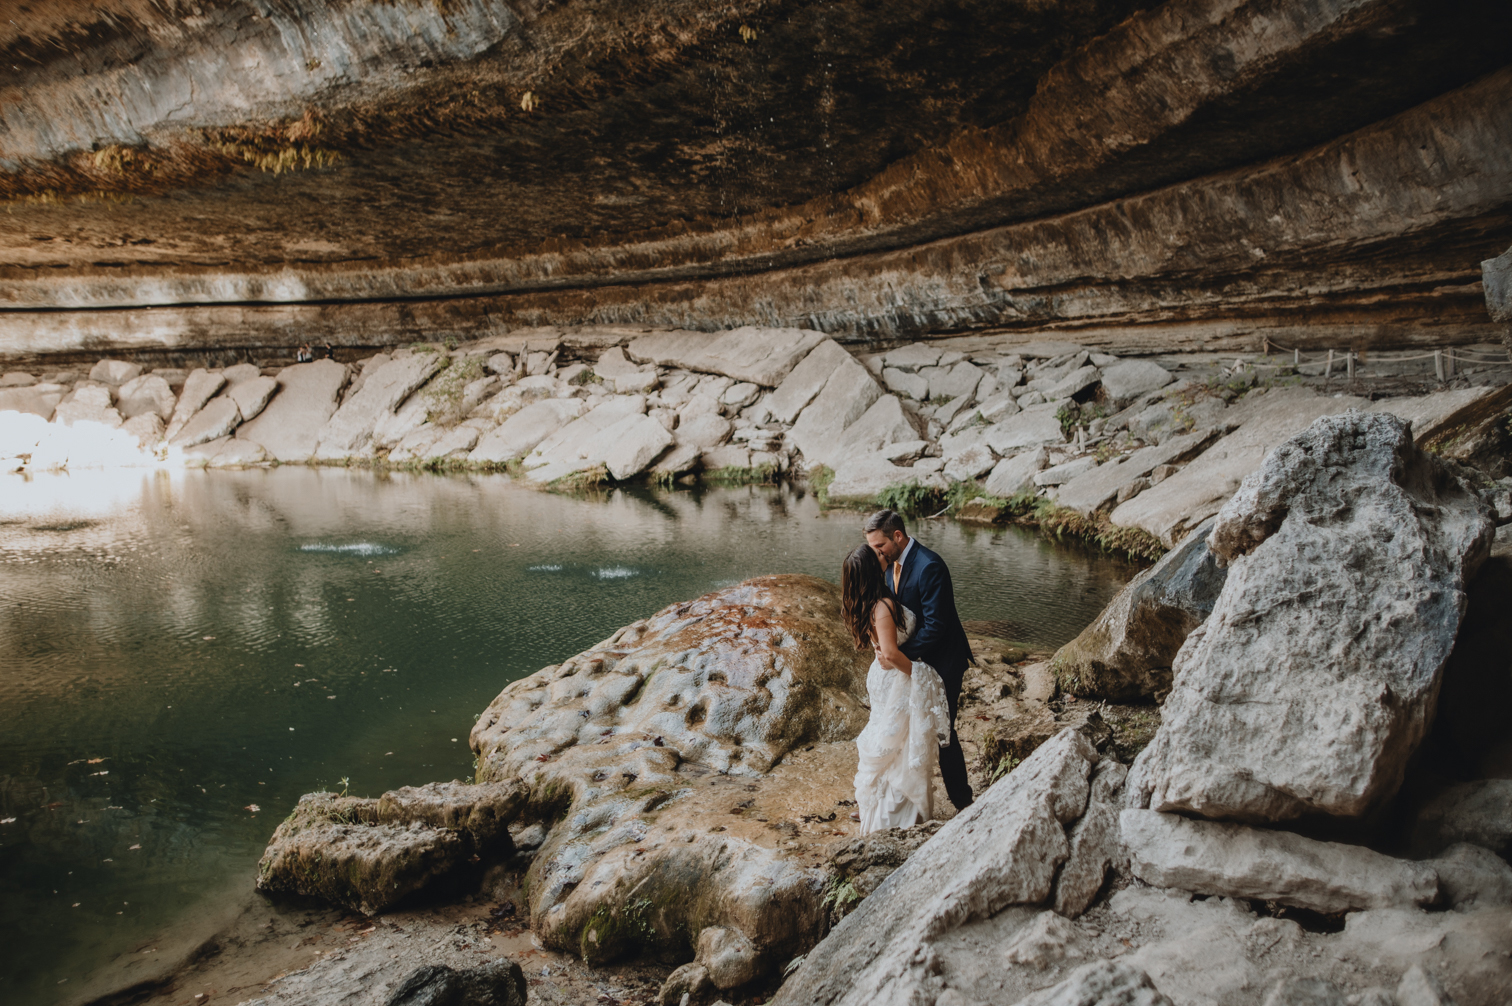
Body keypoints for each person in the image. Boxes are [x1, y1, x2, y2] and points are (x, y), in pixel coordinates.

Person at [864, 508, 975, 812]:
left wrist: (899, 656)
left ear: (897, 536)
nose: (877, 554)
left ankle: (964, 803)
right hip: (912, 665)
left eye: (880, 546)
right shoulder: (887, 564)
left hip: (943, 663)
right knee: (897, 729)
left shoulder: (930, 566)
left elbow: (936, 626)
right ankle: (886, 799)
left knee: (944, 733)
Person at [842, 544, 951, 834]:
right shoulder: (883, 605)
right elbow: (890, 653)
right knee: (898, 744)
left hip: (881, 676)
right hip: (896, 677)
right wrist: (920, 674)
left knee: (888, 738)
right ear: (869, 570)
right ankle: (893, 816)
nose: (883, 554)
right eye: (876, 554)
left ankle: (877, 806)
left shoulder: (863, 601)